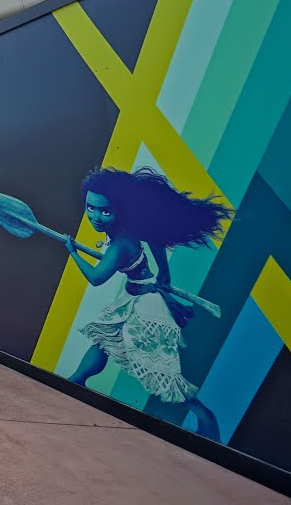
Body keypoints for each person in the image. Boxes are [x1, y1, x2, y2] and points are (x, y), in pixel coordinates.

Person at [62, 166, 231, 441]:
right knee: (104, 339)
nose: (96, 217)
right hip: (136, 297)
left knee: (162, 370)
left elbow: (96, 277)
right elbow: (155, 240)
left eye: (105, 211)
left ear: (120, 209)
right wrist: (164, 273)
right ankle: (77, 379)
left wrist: (72, 252)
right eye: (90, 208)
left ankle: (205, 418)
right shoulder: (128, 230)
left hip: (145, 307)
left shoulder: (121, 243)